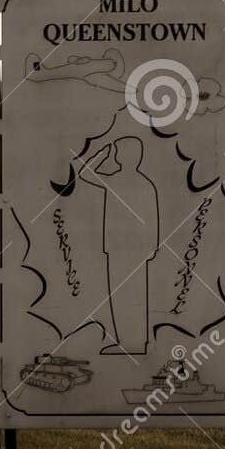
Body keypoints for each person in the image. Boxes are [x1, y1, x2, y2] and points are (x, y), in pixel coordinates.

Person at [77, 137, 160, 356]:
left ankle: (129, 343)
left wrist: (101, 154)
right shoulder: (145, 184)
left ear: (119, 156)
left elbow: (85, 173)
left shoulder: (116, 180)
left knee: (124, 296)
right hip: (133, 249)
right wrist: (153, 247)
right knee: (134, 297)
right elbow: (154, 219)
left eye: (116, 152)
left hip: (121, 249)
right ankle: (133, 342)